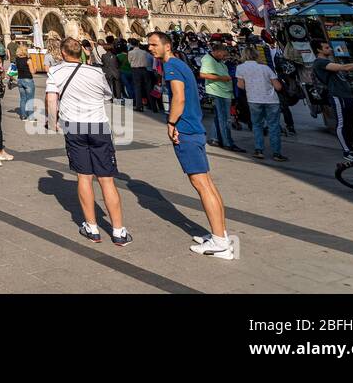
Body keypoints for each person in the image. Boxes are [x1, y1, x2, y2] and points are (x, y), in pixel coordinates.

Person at [148, 31, 233, 260]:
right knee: (207, 184)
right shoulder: (180, 64)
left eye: (154, 45)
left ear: (167, 46)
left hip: (185, 129)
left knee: (202, 185)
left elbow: (179, 97)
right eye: (149, 45)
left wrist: (171, 123)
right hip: (194, 127)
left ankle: (220, 243)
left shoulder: (171, 67)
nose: (150, 48)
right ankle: (220, 233)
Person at [46, 36, 131, 247]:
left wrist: (51, 121)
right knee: (106, 179)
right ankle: (119, 231)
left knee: (84, 178)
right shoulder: (95, 71)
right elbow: (107, 94)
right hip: (98, 126)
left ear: (63, 54)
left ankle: (92, 227)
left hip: (74, 127)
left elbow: (50, 98)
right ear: (80, 53)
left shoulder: (55, 71)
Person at [236, 53, 288, 161]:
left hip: (254, 99)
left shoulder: (240, 68)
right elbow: (278, 87)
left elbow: (240, 85)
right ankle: (276, 153)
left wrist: (251, 88)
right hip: (271, 100)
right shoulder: (265, 68)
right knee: (274, 126)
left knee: (257, 125)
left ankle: (259, 150)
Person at [199, 44, 242, 152]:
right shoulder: (208, 59)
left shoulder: (219, 61)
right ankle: (228, 142)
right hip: (218, 92)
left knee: (219, 117)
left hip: (224, 92)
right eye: (224, 54)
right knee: (224, 119)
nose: (225, 57)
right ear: (217, 51)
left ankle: (214, 138)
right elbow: (203, 74)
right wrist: (221, 78)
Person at [127, 38, 152, 111]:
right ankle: (152, 105)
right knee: (148, 87)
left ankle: (139, 106)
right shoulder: (144, 52)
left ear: (131, 44)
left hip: (135, 70)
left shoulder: (131, 52)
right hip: (144, 69)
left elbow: (129, 61)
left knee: (137, 88)